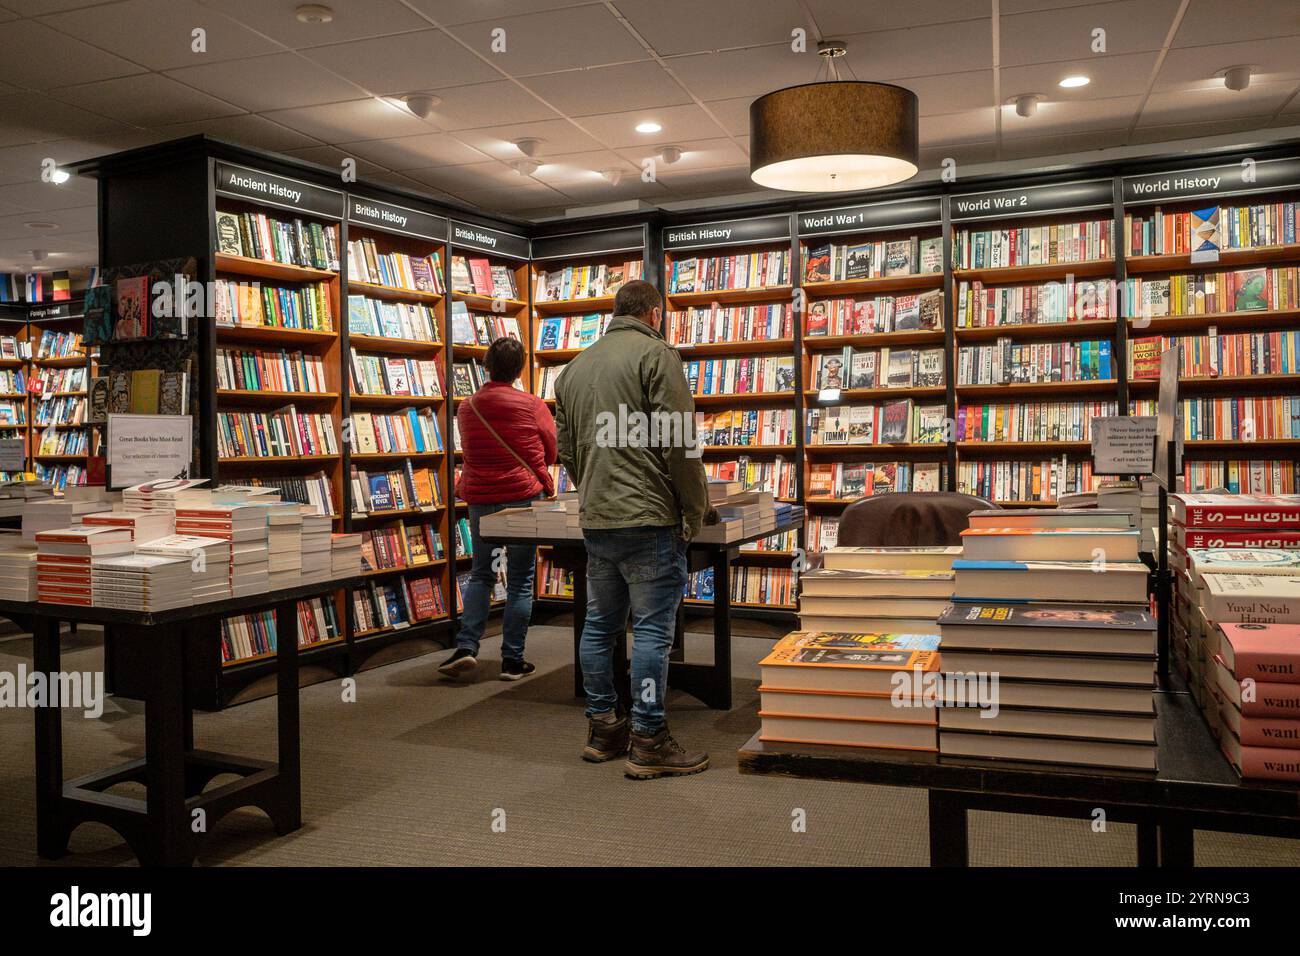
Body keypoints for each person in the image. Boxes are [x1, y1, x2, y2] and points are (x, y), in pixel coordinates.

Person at [554, 279, 712, 779]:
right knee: (650, 632)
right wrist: (695, 508)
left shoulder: (573, 369)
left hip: (598, 519)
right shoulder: (656, 355)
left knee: (599, 626)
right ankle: (649, 738)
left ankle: (604, 728)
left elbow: (567, 452)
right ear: (654, 313)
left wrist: (594, 491)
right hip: (648, 517)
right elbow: (680, 441)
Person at [439, 336, 556, 682]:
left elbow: (471, 451)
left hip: (483, 501)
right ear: (519, 369)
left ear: (487, 366)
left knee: (482, 573)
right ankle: (511, 660)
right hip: (522, 498)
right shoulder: (532, 404)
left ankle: (467, 646)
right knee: (520, 580)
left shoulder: (467, 407)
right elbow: (551, 452)